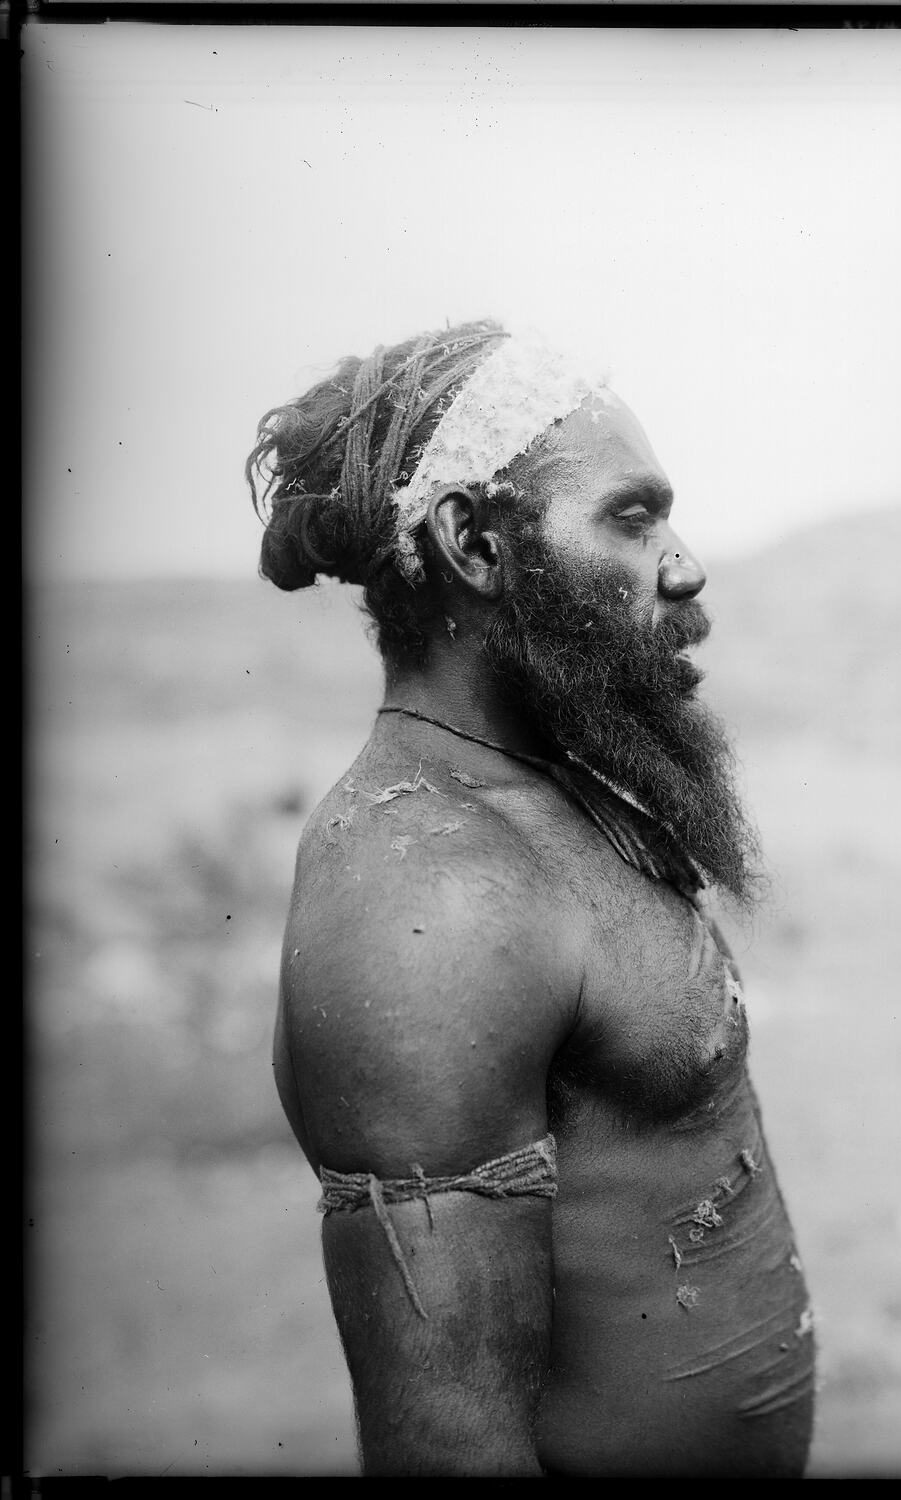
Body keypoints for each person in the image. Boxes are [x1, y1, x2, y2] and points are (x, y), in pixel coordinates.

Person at [246, 320, 816, 1477]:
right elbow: (449, 1441)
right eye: (632, 514)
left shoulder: (540, 793)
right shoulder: (430, 898)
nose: (684, 562)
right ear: (473, 543)